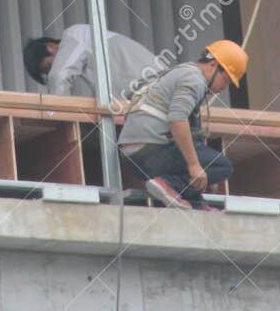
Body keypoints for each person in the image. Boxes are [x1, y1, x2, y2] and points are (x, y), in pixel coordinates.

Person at [117, 40, 247, 210]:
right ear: (213, 65)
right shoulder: (194, 80)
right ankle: (166, 183)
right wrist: (194, 165)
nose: (225, 87)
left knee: (196, 150)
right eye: (226, 79)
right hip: (150, 151)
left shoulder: (182, 72)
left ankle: (193, 201)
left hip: (134, 156)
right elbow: (177, 119)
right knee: (220, 166)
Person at [23, 25, 160, 103]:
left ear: (51, 46)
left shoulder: (74, 35)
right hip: (147, 94)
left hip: (153, 88)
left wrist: (58, 115)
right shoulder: (90, 57)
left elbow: (58, 77)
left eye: (49, 67)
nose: (52, 70)